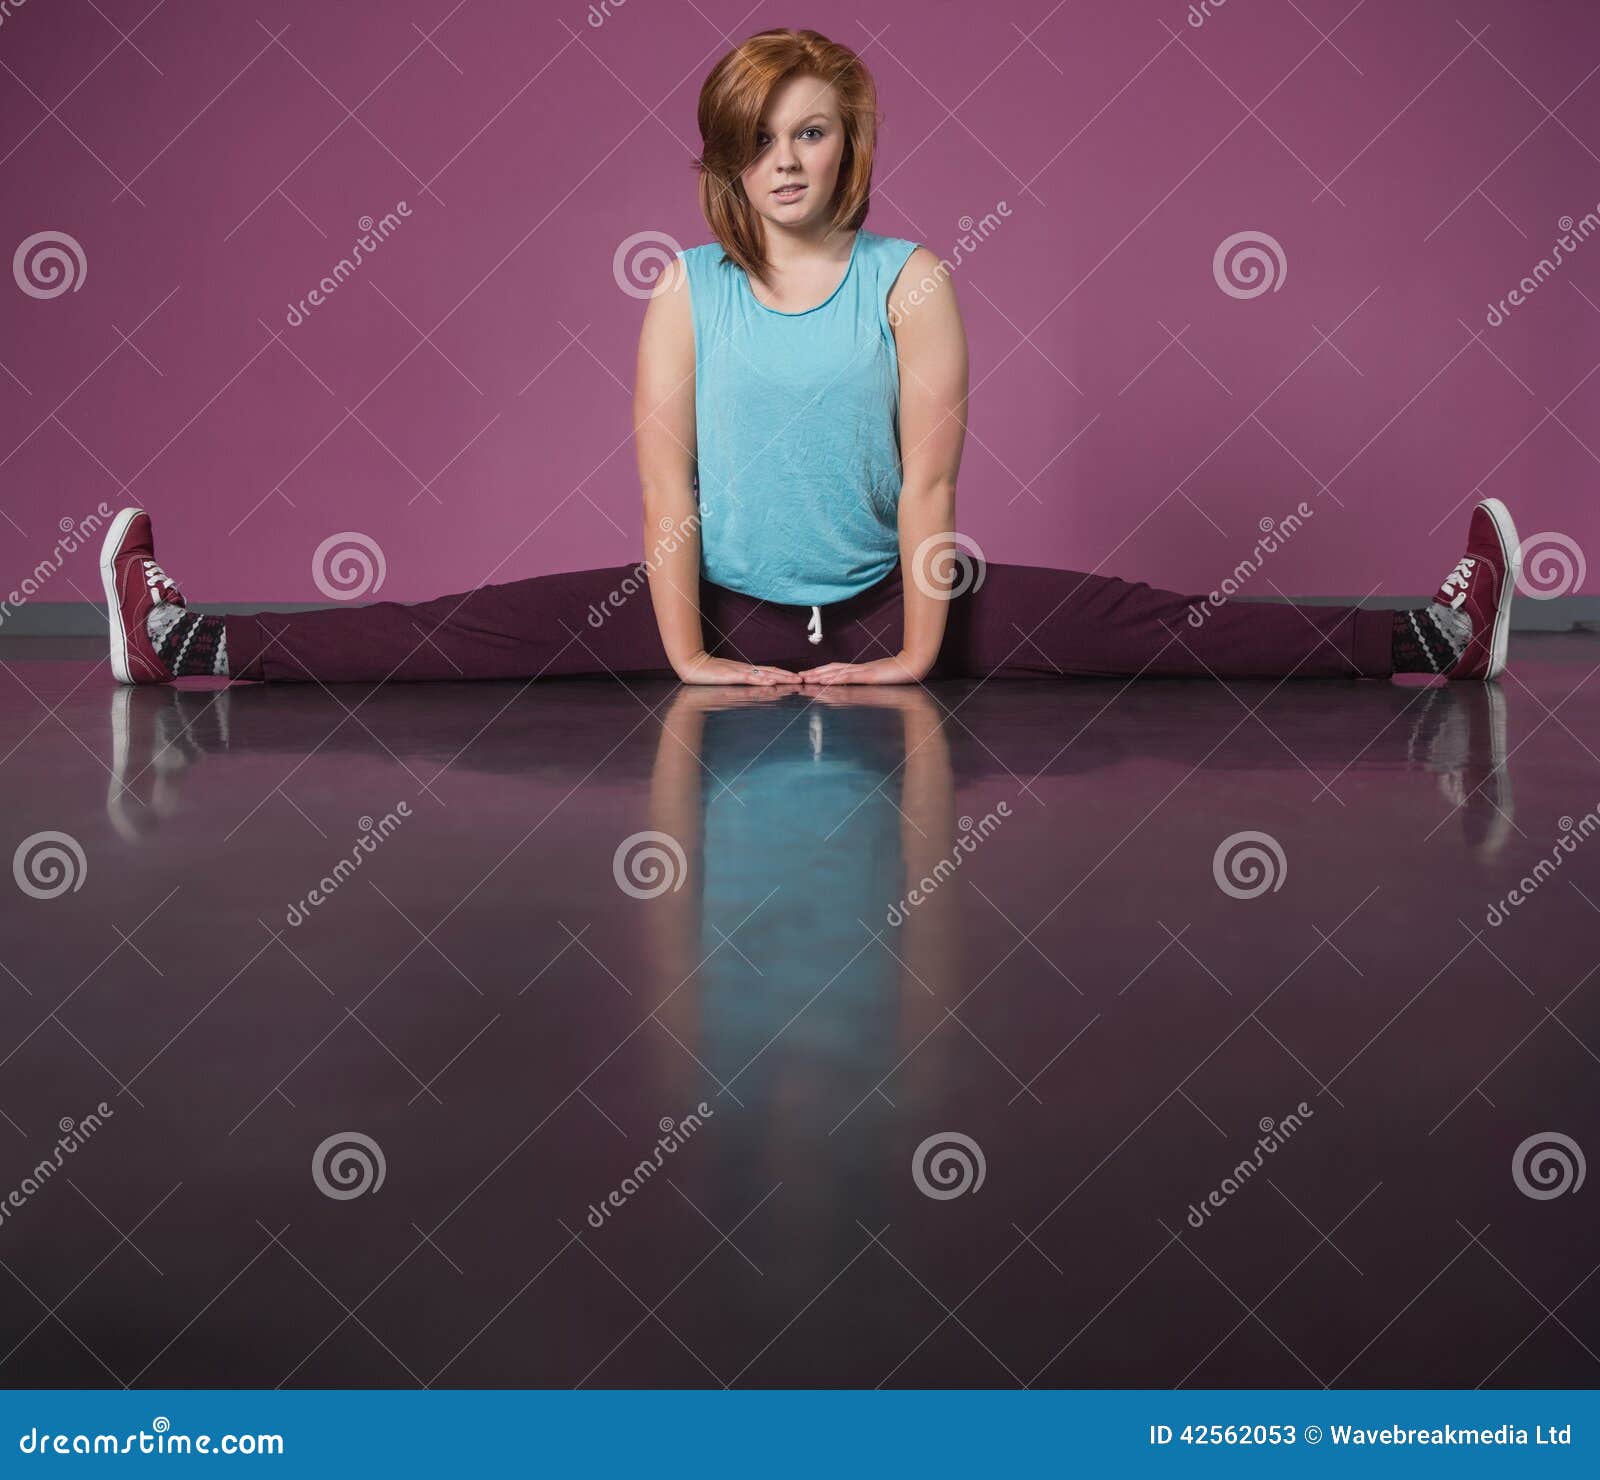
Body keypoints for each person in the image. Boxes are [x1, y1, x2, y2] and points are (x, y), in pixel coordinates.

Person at [99, 28, 1519, 692]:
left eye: (812, 132)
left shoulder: (915, 283)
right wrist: (687, 659)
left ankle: (1429, 640)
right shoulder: (684, 290)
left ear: (849, 146)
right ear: (726, 155)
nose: (787, 160)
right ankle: (189, 642)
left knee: (1152, 628)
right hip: (723, 610)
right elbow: (668, 492)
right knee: (464, 630)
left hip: (903, 601)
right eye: (760, 137)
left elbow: (929, 487)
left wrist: (909, 654)